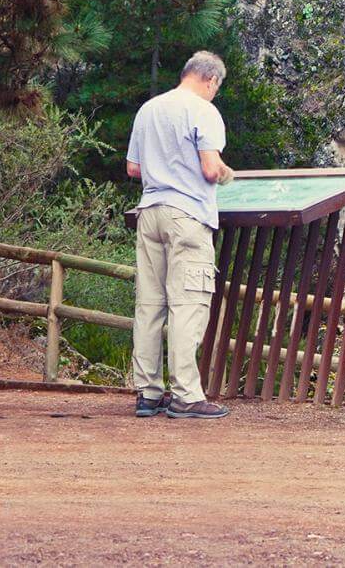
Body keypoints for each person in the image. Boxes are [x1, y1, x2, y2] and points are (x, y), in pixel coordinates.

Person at [125, 51, 235, 419]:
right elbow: (208, 168)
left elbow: (133, 168)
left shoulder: (149, 110)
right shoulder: (204, 111)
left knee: (149, 304)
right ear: (211, 80)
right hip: (187, 217)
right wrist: (225, 172)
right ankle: (186, 394)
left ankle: (148, 392)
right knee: (188, 304)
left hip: (150, 212)